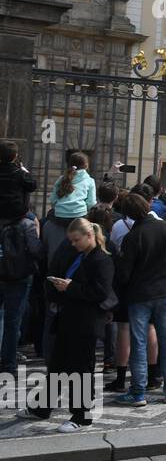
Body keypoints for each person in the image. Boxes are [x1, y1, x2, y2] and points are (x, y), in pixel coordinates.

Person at [20, 218, 114, 430]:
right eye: (71, 240)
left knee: (80, 370)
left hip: (86, 323)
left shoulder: (101, 259)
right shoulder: (81, 255)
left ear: (89, 236)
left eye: (76, 240)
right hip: (69, 318)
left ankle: (82, 416)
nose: (73, 244)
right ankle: (42, 407)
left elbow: (100, 292)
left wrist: (70, 287)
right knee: (58, 365)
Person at [113, 193, 166, 406]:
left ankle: (138, 392)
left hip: (140, 294)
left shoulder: (134, 236)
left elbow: (124, 274)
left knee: (139, 342)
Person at [0, 145, 40, 376]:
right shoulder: (18, 174)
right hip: (17, 270)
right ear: (15, 157)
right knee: (14, 316)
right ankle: (8, 363)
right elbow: (32, 184)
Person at [46, 151, 95, 260]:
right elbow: (91, 203)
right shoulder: (89, 181)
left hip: (59, 216)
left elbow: (53, 199)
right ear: (86, 165)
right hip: (79, 215)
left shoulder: (61, 179)